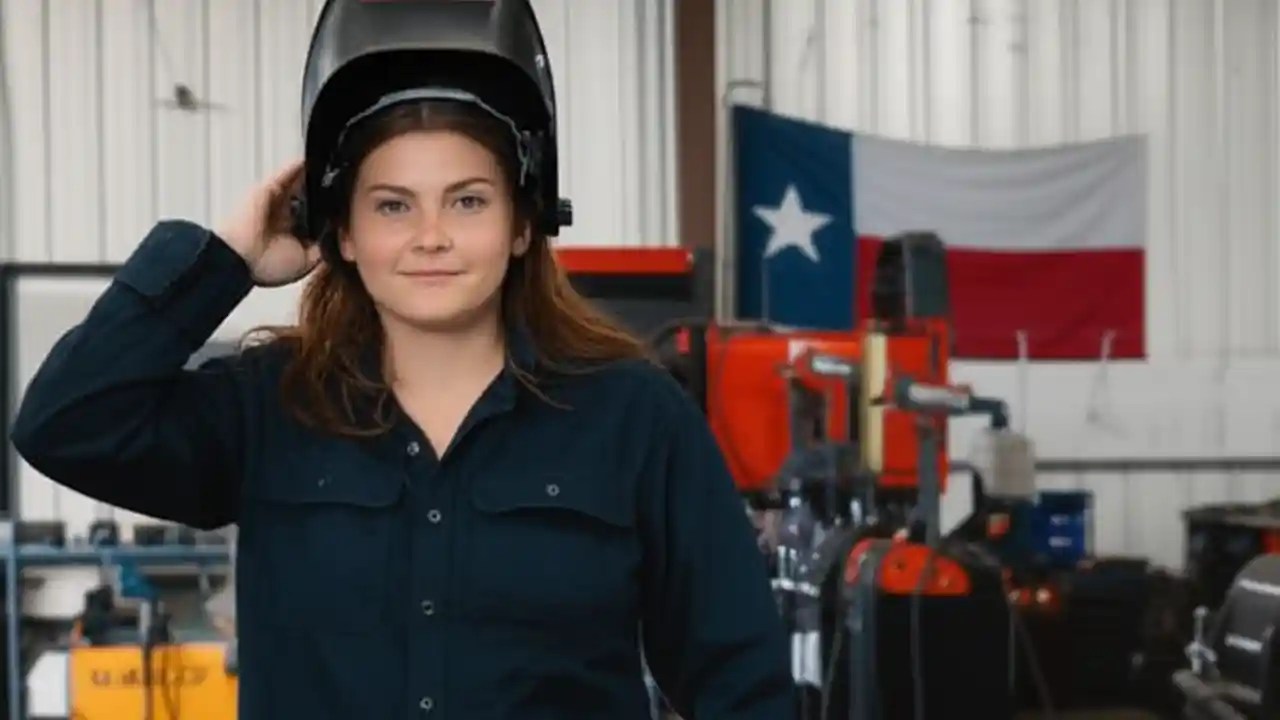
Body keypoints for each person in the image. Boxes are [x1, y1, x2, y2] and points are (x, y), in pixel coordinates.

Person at [10, 1, 795, 718]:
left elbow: (742, 685)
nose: (431, 237)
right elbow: (65, 423)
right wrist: (224, 256)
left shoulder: (636, 420)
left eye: (468, 200)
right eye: (392, 205)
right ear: (340, 235)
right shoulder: (271, 407)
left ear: (523, 225)